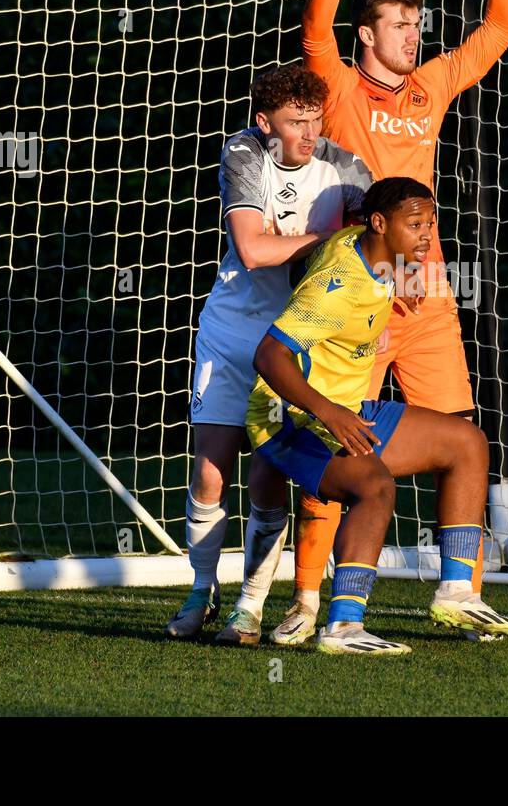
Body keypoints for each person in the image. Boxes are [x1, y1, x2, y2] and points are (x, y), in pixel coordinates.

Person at [268, 0, 508, 645]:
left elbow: (500, 30)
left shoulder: (432, 88)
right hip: (357, 300)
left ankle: (463, 597)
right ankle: (309, 602)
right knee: (336, 444)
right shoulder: (342, 91)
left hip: (429, 296)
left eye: (417, 24)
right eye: (400, 25)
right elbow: (315, 34)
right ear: (369, 36)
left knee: (459, 437)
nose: (415, 36)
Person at [245, 177, 508, 654]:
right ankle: (343, 627)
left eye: (431, 224)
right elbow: (269, 356)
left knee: (466, 443)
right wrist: (329, 411)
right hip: (288, 418)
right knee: (374, 486)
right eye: (415, 224)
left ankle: (457, 593)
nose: (426, 236)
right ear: (379, 223)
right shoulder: (338, 288)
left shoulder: (372, 250)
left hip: (346, 408)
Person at [164, 64, 371, 644]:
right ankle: (201, 592)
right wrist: (333, 241)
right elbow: (253, 251)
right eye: (294, 122)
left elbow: (371, 250)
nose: (309, 134)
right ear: (264, 122)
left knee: (267, 474)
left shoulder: (347, 169)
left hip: (294, 337)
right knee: (210, 470)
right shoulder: (243, 152)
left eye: (315, 120)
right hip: (232, 327)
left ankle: (249, 608)